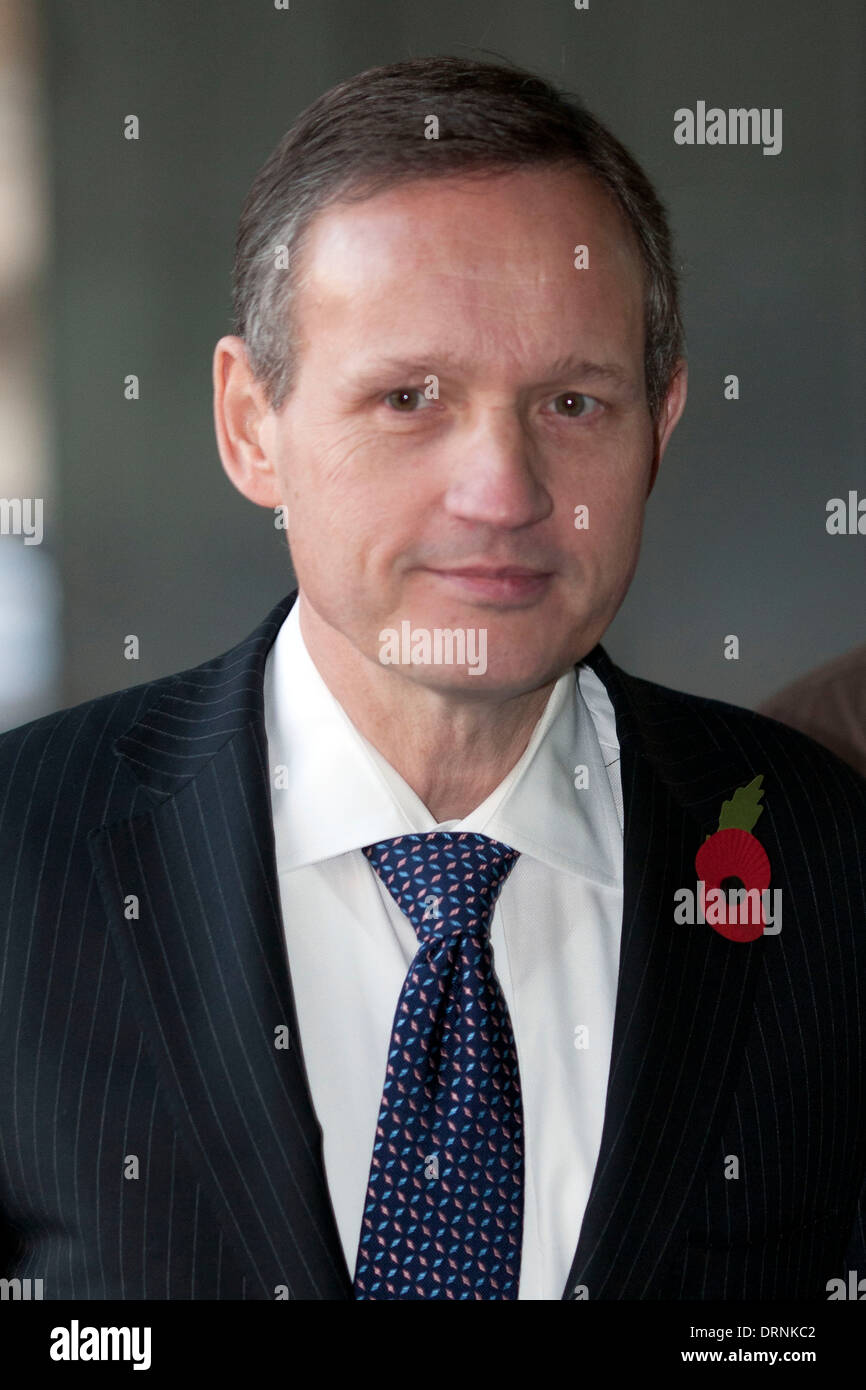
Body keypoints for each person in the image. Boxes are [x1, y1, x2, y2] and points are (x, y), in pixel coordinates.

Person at [1, 55, 864, 1302]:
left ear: (659, 424)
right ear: (252, 424)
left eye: (572, 401)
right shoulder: (25, 853)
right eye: (408, 398)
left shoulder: (825, 863)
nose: (502, 493)